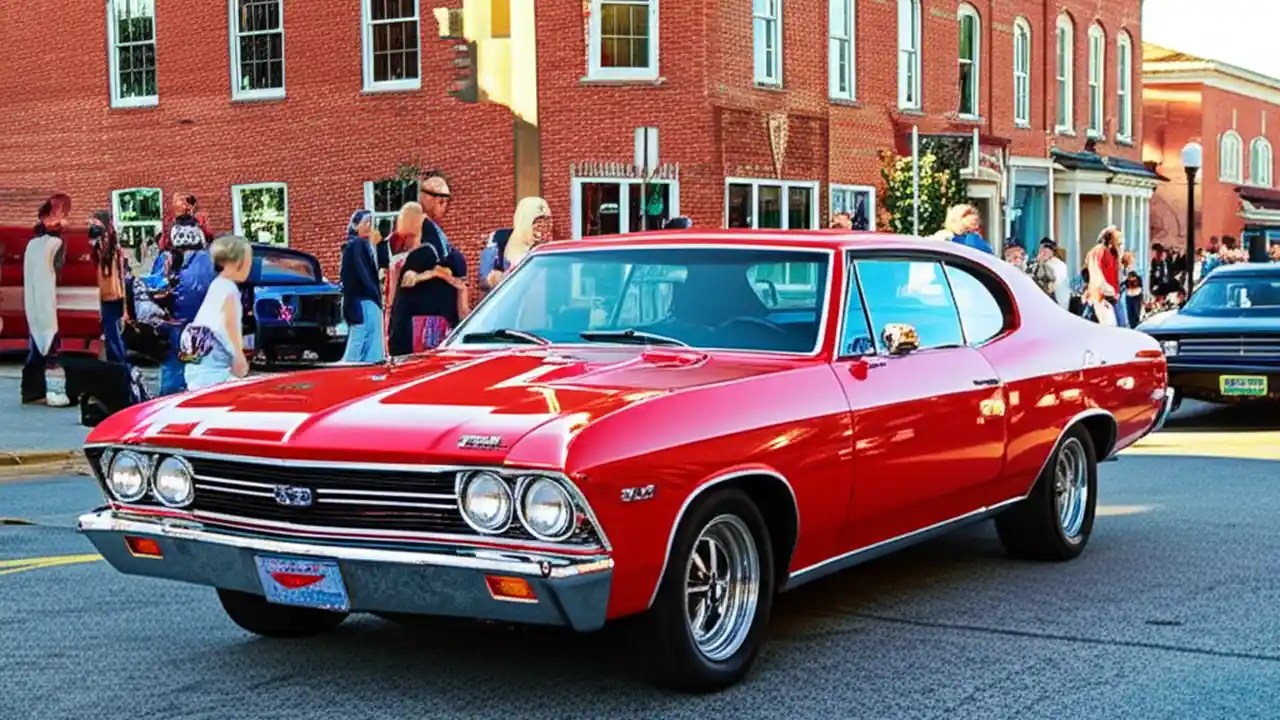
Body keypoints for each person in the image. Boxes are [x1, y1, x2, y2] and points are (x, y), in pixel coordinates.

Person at [388, 173, 468, 354]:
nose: (444, 207)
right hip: (420, 320)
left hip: (422, 317)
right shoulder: (427, 239)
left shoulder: (430, 237)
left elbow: (444, 269)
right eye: (442, 202)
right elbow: (444, 269)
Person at [180, 235, 253, 390]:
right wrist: (239, 357)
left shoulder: (217, 284)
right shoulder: (230, 290)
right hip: (216, 372)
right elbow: (229, 326)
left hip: (199, 368)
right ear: (238, 262)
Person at [22, 194, 73, 406]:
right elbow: (59, 272)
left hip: (37, 302)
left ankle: (31, 392)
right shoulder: (53, 243)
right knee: (51, 348)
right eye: (56, 216)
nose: (61, 220)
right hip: (46, 302)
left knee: (38, 346)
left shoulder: (35, 244)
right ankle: (54, 392)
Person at [339, 209, 386, 363]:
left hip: (363, 300)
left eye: (370, 223)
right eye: (365, 222)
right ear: (355, 225)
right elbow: (362, 274)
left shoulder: (359, 246)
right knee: (364, 340)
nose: (368, 226)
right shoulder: (357, 245)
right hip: (364, 300)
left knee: (363, 339)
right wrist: (375, 294)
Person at [90, 210, 131, 365]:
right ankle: (118, 364)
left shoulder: (112, 248)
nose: (93, 227)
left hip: (111, 296)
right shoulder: (99, 246)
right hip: (106, 296)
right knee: (111, 334)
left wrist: (126, 308)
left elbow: (121, 277)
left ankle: (120, 365)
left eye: (96, 224)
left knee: (112, 334)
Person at [485, 196, 552, 289]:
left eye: (546, 222)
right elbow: (484, 281)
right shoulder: (498, 240)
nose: (543, 227)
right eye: (538, 222)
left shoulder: (545, 249)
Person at [1085, 226, 1122, 325]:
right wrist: (1107, 290)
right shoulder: (1099, 251)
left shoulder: (1113, 253)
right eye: (1117, 238)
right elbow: (1096, 273)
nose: (1120, 242)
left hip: (1111, 297)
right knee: (1109, 328)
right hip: (1101, 297)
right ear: (1109, 239)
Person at [1040, 239, 1071, 309]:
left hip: (1054, 304)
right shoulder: (1062, 265)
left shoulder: (1049, 264)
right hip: (1064, 303)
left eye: (1043, 251)